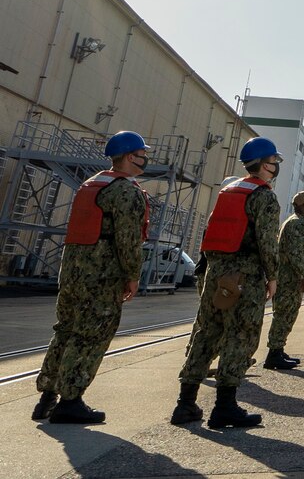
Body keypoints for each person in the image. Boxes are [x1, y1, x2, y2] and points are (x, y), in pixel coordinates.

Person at [33, 131, 152, 425]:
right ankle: (70, 401)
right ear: (130, 156)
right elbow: (128, 240)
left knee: (65, 330)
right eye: (142, 154)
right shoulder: (126, 191)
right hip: (102, 275)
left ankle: (47, 398)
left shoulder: (91, 184)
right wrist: (132, 275)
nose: (145, 159)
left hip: (72, 271)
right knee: (91, 334)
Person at [171, 136, 282, 429]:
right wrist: (272, 277)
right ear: (263, 164)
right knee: (240, 336)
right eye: (274, 161)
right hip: (244, 277)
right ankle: (224, 407)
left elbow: (210, 233)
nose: (276, 166)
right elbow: (267, 242)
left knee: (206, 334)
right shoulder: (264, 196)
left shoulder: (229, 191)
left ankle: (185, 403)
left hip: (215, 273)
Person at [264, 191, 304, 370]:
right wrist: (303, 276)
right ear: (303, 206)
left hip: (290, 278)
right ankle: (273, 354)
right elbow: (296, 254)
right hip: (290, 279)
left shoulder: (297, 222)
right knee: (284, 315)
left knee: (287, 315)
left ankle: (278, 350)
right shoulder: (296, 224)